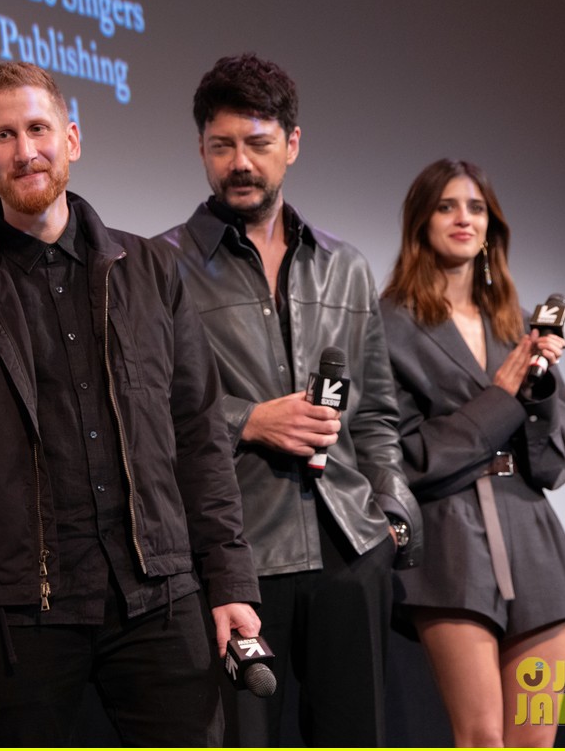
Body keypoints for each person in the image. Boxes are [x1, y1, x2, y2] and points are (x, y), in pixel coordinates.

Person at [0, 61, 262, 747]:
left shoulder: (154, 270)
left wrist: (230, 578)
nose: (25, 150)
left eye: (37, 129)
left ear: (72, 138)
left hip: (160, 596)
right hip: (16, 616)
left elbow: (200, 437)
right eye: (4, 136)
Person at [155, 53, 421, 746]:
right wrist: (251, 419)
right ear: (202, 150)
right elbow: (144, 408)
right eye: (222, 146)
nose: (239, 162)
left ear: (292, 144)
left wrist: (392, 513)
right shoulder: (160, 265)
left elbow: (378, 416)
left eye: (257, 143)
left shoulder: (346, 265)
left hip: (350, 548)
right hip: (236, 553)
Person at [379, 158, 565, 747]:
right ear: (422, 221)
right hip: (450, 543)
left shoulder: (518, 325)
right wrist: (500, 399)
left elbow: (552, 464)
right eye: (446, 206)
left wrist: (540, 389)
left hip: (533, 539)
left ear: (491, 226)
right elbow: (406, 458)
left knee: (534, 742)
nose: (463, 218)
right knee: (482, 740)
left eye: (475, 207)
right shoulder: (389, 325)